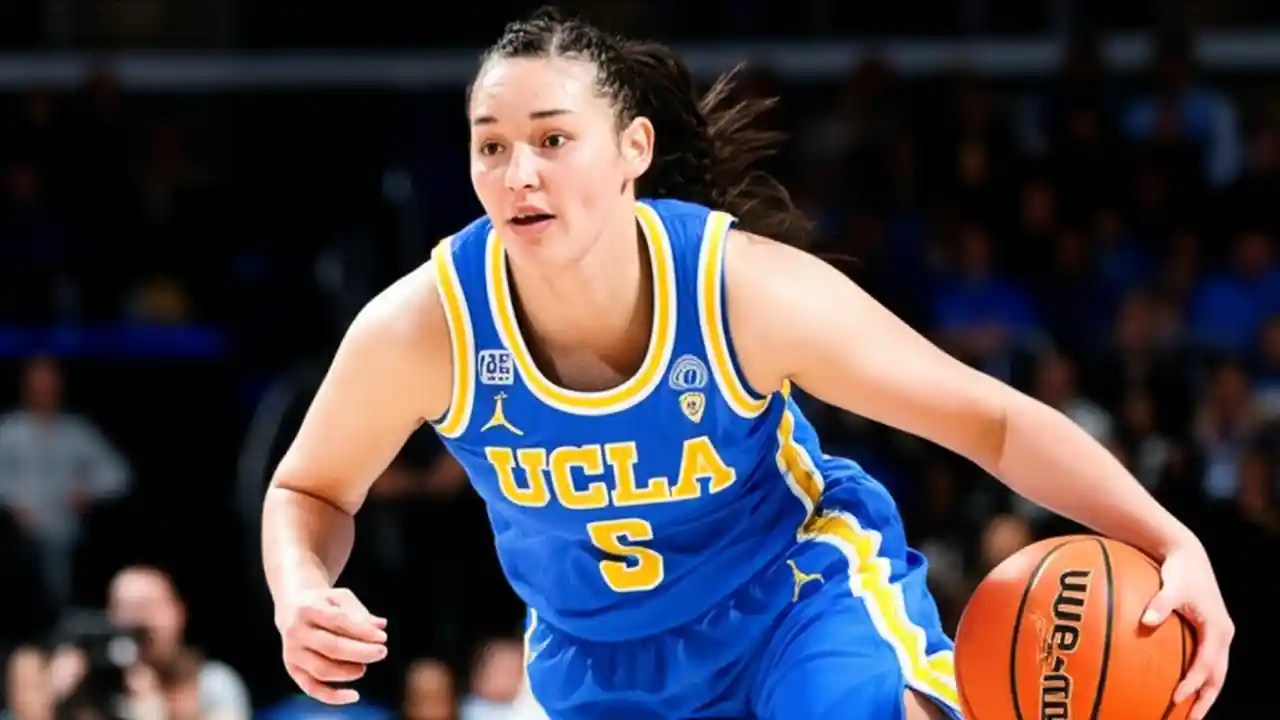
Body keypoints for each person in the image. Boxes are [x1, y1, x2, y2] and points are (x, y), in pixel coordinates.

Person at [261, 7, 1233, 720]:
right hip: (596, 661)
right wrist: (300, 589)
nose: (519, 174)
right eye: (492, 147)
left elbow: (989, 420)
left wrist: (1168, 540)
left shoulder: (738, 289)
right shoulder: (426, 323)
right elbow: (309, 489)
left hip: (793, 601)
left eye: (553, 141)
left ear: (629, 149)